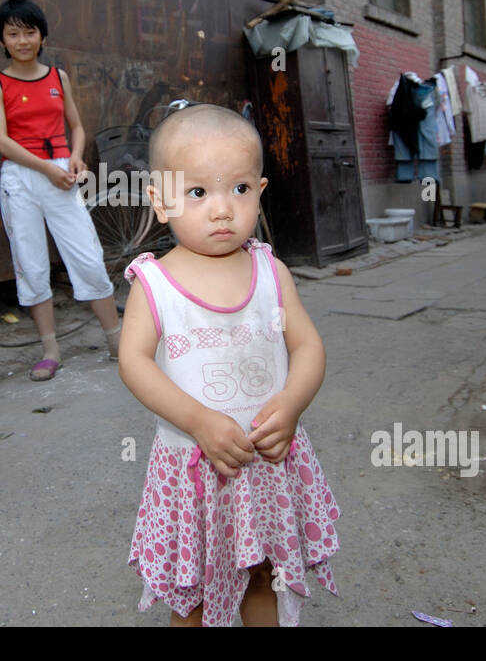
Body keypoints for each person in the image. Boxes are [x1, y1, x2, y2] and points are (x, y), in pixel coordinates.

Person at [118, 104, 340, 626]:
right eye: (198, 193)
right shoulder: (154, 284)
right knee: (192, 591)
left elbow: (307, 346)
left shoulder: (271, 271)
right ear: (161, 202)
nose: (222, 210)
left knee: (264, 572)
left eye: (239, 189)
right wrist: (198, 421)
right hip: (194, 472)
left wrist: (292, 402)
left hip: (266, 463)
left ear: (260, 192)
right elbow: (133, 362)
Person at [0, 0, 121, 380]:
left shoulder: (58, 77)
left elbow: (75, 126)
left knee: (87, 255)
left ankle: (115, 340)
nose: (23, 40)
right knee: (30, 262)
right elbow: (0, 140)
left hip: (60, 171)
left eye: (30, 31)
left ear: (42, 35)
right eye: (13, 33)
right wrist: (45, 167)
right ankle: (50, 350)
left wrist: (76, 157)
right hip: (20, 176)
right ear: (2, 40)